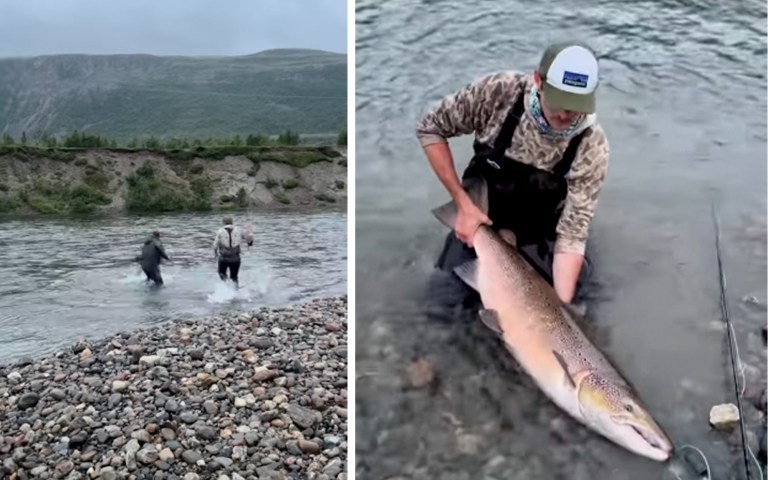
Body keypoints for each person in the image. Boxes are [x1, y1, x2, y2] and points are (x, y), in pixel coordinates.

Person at [416, 41, 609, 307]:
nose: (566, 114)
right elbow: (430, 128)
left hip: (542, 236)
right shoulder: (499, 92)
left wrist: (560, 310)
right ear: (539, 81)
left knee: (580, 307)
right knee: (443, 307)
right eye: (560, 101)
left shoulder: (592, 145)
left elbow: (571, 237)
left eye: (576, 105)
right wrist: (463, 204)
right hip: (480, 220)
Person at [213, 216, 254, 287]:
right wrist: (250, 238)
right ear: (232, 222)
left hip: (224, 258)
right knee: (234, 277)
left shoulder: (220, 231)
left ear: (223, 222)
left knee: (221, 273)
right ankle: (235, 290)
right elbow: (249, 240)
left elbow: (215, 246)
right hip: (235, 258)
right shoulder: (239, 230)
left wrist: (216, 255)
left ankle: (226, 287)